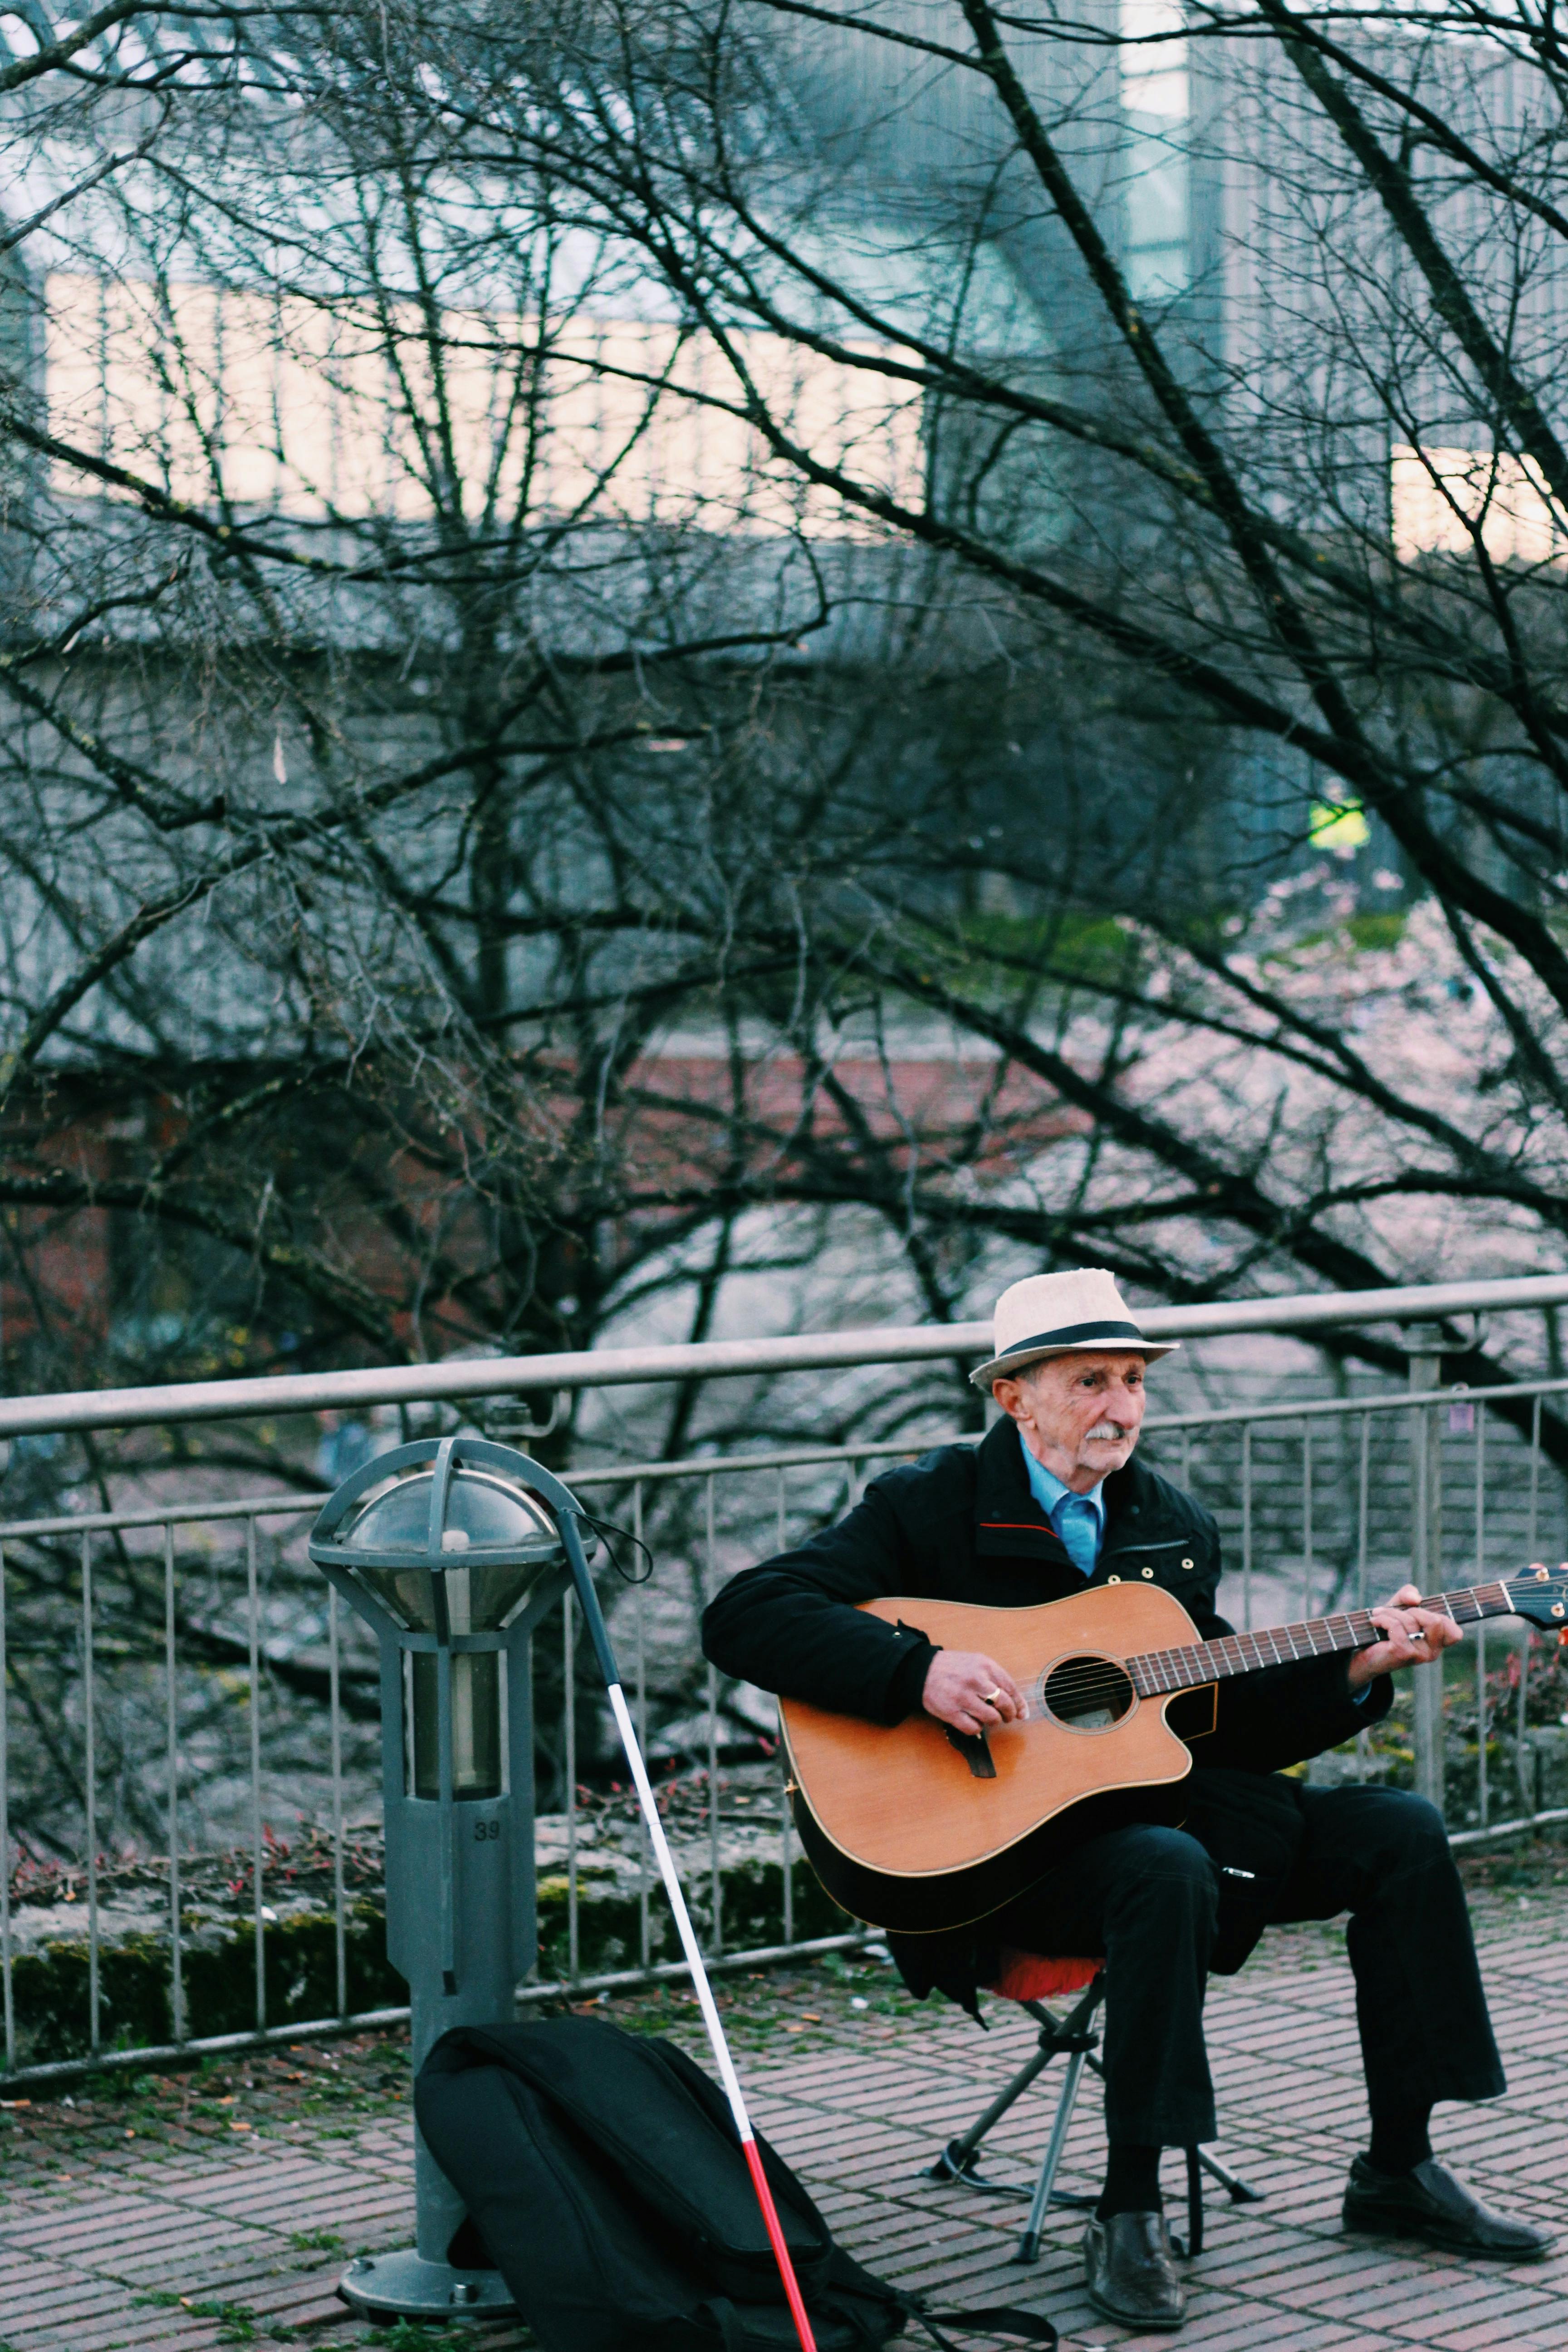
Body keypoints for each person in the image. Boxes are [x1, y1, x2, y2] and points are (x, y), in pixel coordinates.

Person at [701, 1268, 1551, 2332]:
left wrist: (1356, 1671)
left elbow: (1209, 1721)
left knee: (1402, 1832)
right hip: (996, 1863)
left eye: (1135, 1381)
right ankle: (1131, 2204)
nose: (1121, 1408)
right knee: (1164, 1866)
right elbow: (747, 1611)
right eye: (1090, 1381)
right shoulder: (928, 1505)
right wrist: (913, 1671)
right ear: (1015, 1396)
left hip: (1160, 1823)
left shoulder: (1169, 1523)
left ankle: (1399, 2164)